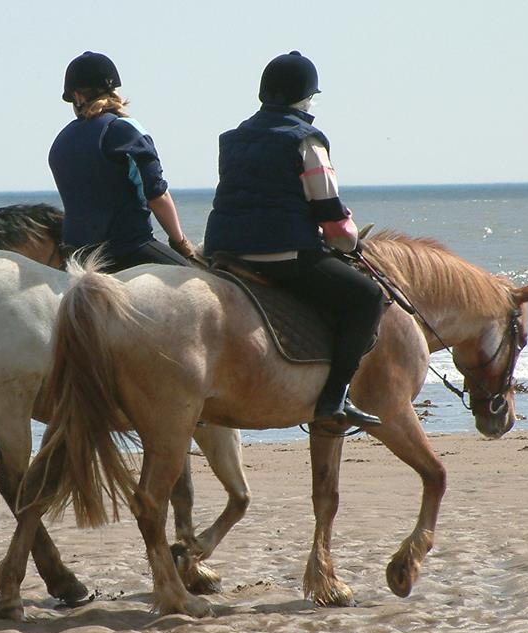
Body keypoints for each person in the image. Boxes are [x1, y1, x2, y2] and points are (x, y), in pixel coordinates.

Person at [203, 51, 385, 428]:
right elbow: (332, 219)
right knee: (367, 298)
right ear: (305, 97)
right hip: (282, 255)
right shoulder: (307, 141)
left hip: (224, 251)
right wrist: (353, 245)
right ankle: (334, 398)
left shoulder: (233, 138)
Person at [48, 51, 197, 271]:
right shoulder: (124, 130)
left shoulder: (60, 142)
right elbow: (157, 195)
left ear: (77, 97)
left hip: (77, 258)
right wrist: (180, 242)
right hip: (129, 250)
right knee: (201, 284)